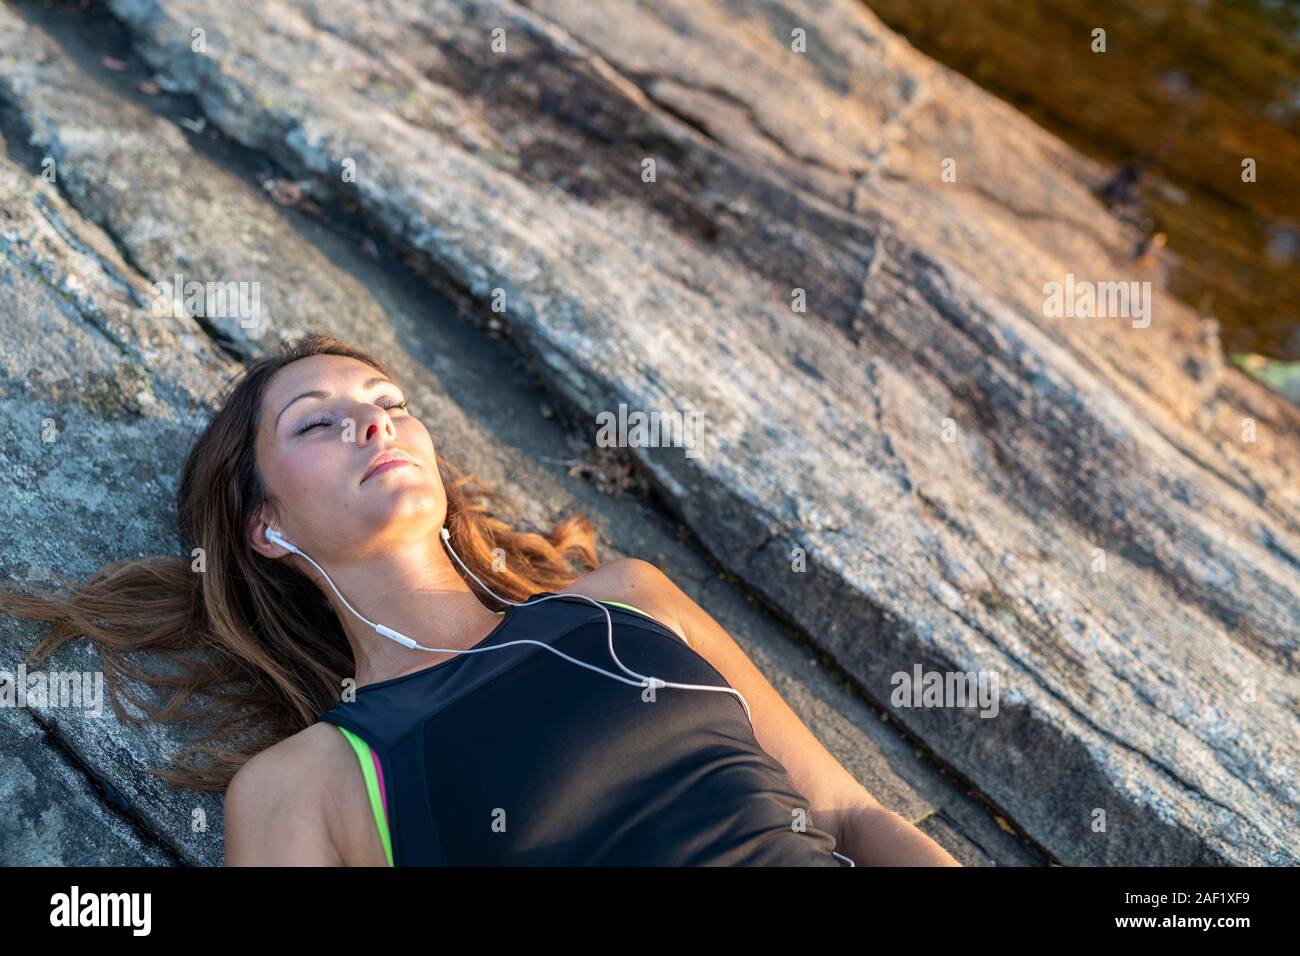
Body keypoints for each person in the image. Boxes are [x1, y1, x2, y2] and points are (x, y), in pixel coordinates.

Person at [1, 333, 959, 867]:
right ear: (268, 529)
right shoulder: (310, 786)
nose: (374, 419)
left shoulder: (630, 606)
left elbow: (852, 817)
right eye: (319, 423)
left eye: (389, 400)